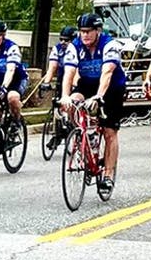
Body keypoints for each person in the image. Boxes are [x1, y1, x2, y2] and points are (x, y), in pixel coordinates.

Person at [60, 12, 127, 193]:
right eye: (82, 31)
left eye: (89, 31)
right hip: (87, 84)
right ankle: (83, 134)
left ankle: (108, 175)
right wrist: (65, 96)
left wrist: (98, 97)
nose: (85, 35)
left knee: (109, 132)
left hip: (111, 87)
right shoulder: (75, 46)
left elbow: (107, 73)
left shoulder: (109, 45)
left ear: (98, 31)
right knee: (73, 103)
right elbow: (69, 73)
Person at [42, 25, 77, 104]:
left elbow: (77, 70)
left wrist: (74, 84)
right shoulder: (57, 48)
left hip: (76, 78)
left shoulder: (78, 49)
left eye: (66, 40)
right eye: (61, 39)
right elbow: (52, 67)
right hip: (62, 78)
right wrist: (46, 82)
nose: (62, 42)